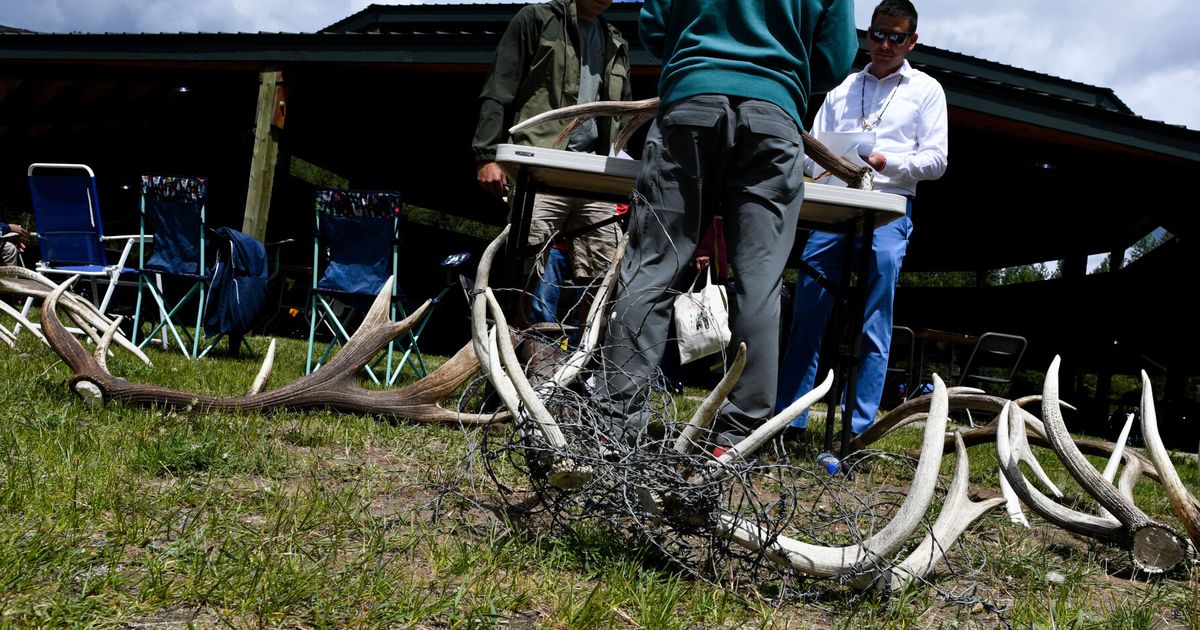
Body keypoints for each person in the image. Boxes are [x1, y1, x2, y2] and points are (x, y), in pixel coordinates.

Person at [597, 0, 857, 446]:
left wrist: (703, 57)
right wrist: (779, 70)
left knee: (653, 267)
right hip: (774, 117)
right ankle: (735, 441)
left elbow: (655, 29)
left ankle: (612, 428)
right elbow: (834, 60)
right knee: (760, 283)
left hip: (690, 104)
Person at [776, 0, 949, 438]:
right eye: (877, 34)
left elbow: (937, 160)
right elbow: (811, 149)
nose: (884, 44)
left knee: (875, 318)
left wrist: (888, 162)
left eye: (895, 37)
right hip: (834, 204)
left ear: (912, 41)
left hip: (888, 206)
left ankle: (857, 429)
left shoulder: (926, 89)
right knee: (808, 308)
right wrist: (821, 164)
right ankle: (789, 419)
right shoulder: (843, 87)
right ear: (866, 34)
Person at [470, 0, 633, 320]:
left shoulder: (616, 41)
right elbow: (499, 88)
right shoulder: (537, 19)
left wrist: (620, 173)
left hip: (595, 171)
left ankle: (587, 348)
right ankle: (519, 343)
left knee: (604, 269)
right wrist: (486, 154)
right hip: (541, 166)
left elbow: (624, 116)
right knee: (527, 262)